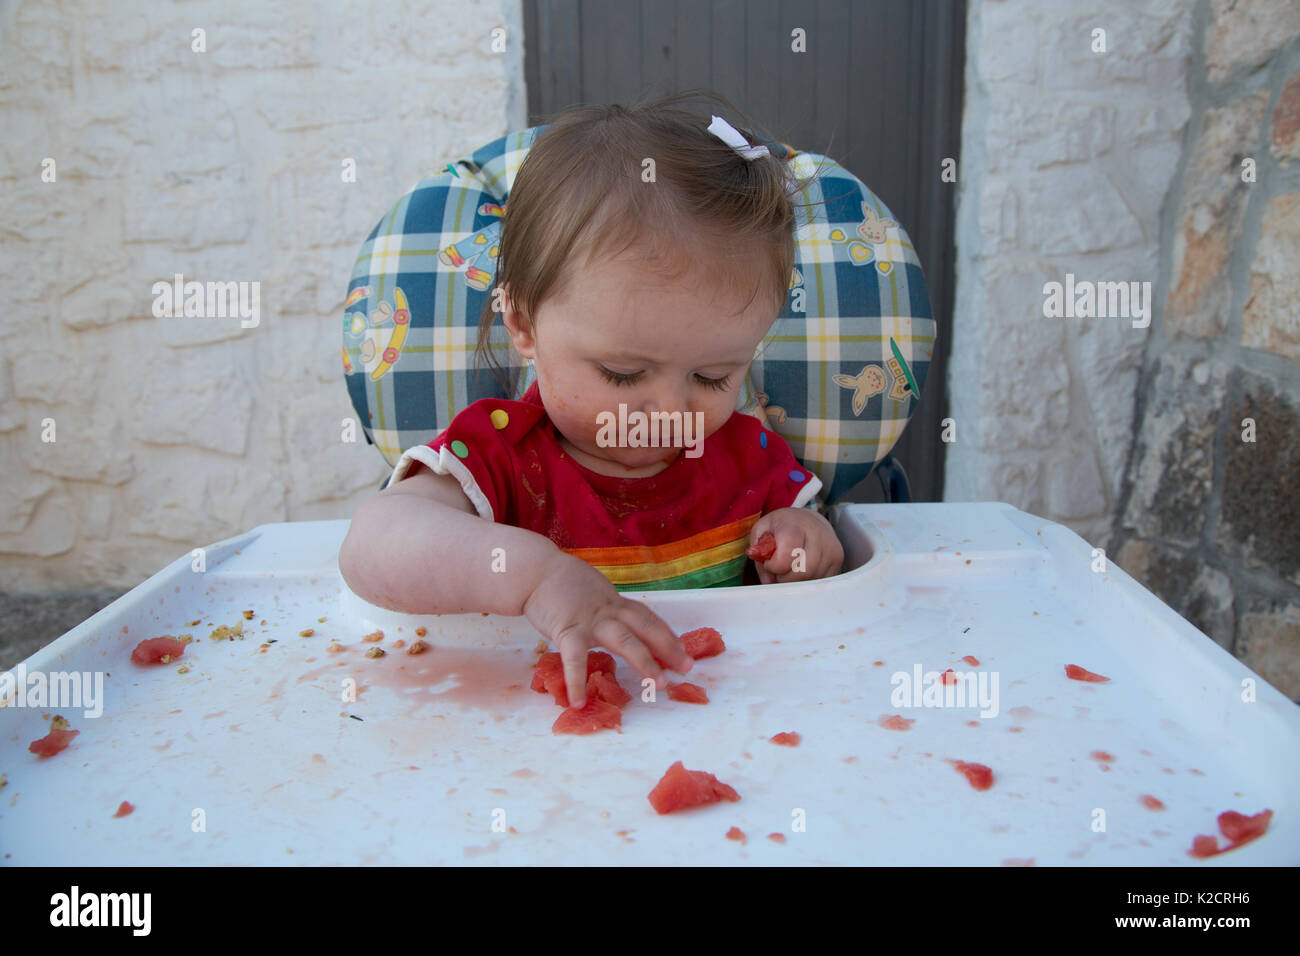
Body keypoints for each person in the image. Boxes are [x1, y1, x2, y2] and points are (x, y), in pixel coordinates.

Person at [340, 92, 843, 708]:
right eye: (624, 373)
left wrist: (804, 542)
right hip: (526, 750)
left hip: (729, 723)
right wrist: (534, 578)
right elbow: (373, 544)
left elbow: (828, 567)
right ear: (523, 324)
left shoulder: (746, 456)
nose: (669, 410)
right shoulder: (501, 457)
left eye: (713, 376)